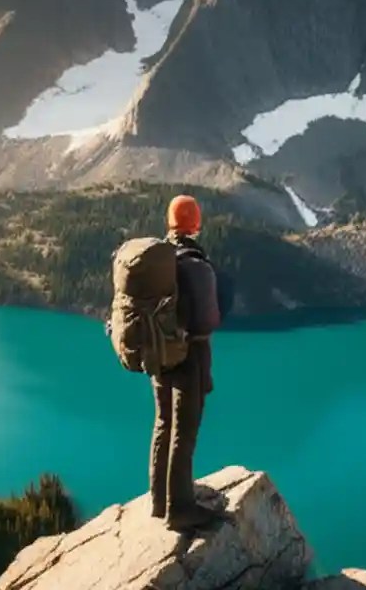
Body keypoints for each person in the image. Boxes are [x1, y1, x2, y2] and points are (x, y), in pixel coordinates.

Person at [149, 194, 232, 531]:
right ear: (195, 224)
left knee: (163, 424)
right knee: (185, 432)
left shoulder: (157, 261)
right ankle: (180, 509)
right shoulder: (195, 264)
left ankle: (160, 500)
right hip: (189, 359)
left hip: (159, 355)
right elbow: (207, 321)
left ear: (170, 222)